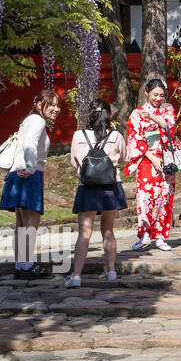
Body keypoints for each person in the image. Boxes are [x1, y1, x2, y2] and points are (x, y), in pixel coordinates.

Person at [65, 99, 128, 287]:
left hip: (88, 187)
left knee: (84, 232)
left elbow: (74, 163)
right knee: (108, 230)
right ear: (108, 115)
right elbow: (125, 158)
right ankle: (111, 272)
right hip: (110, 187)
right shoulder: (116, 135)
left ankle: (76, 276)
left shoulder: (78, 135)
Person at [0, 90, 61, 279]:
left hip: (18, 174)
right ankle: (26, 266)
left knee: (21, 224)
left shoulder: (28, 120)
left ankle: (20, 265)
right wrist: (30, 167)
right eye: (50, 104)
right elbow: (30, 144)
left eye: (58, 105)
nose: (55, 109)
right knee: (31, 224)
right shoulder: (38, 121)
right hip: (28, 174)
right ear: (38, 104)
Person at [125, 78, 178, 251]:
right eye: (155, 94)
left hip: (166, 159)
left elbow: (170, 128)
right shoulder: (136, 113)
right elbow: (135, 138)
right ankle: (144, 234)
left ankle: (161, 236)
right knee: (145, 198)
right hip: (146, 161)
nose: (158, 98)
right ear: (147, 93)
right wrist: (152, 158)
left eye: (161, 95)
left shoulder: (168, 109)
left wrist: (153, 117)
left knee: (164, 196)